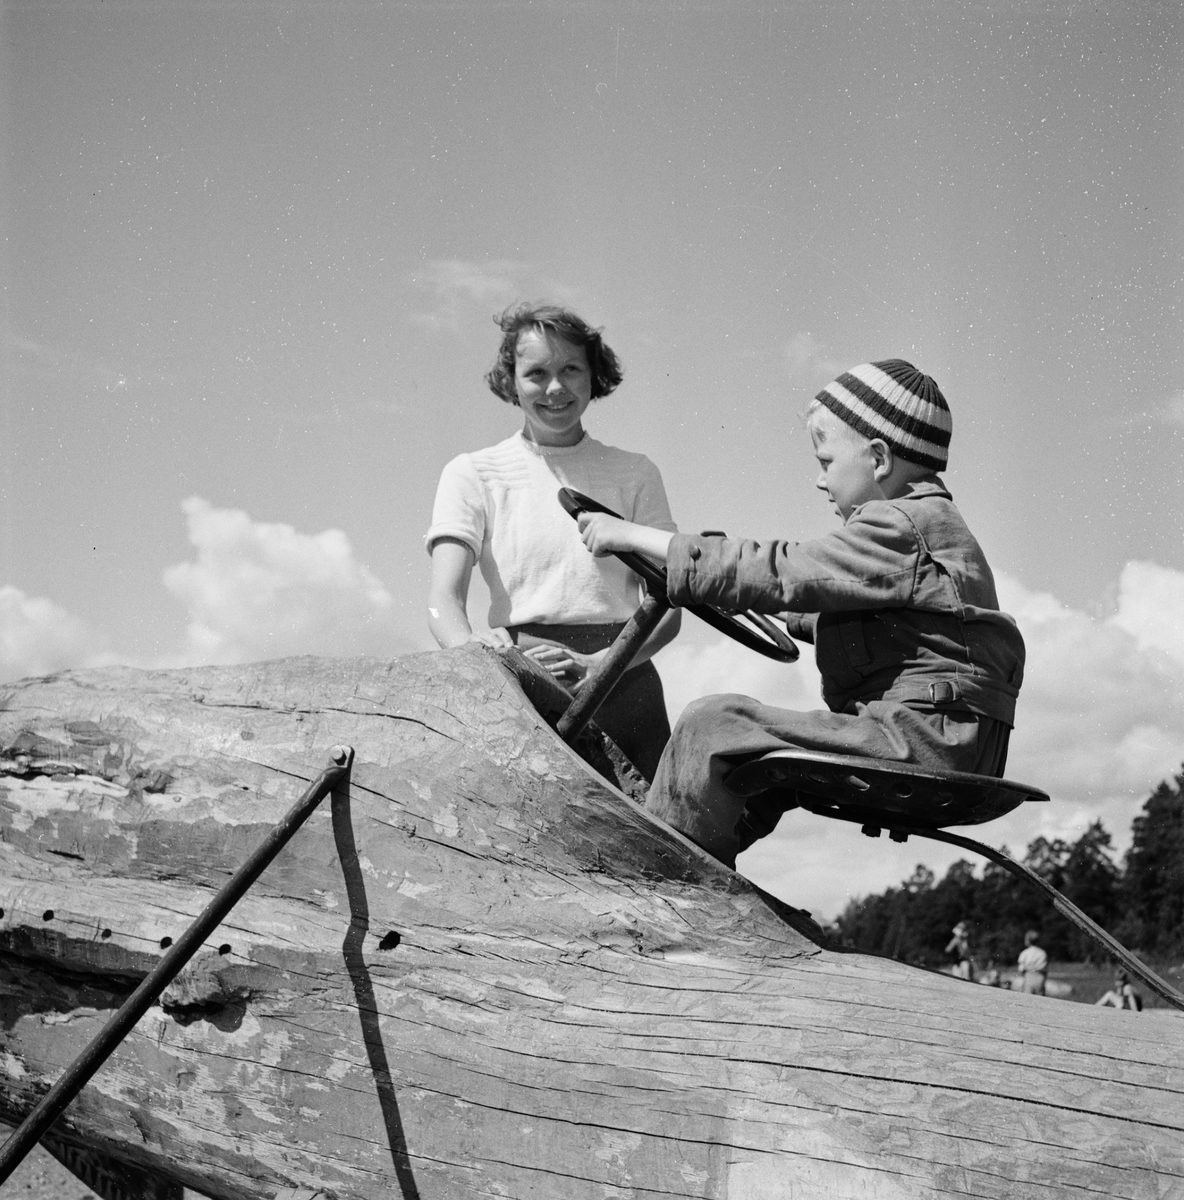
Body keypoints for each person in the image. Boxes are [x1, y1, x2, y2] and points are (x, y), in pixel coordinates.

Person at [575, 358, 1026, 866]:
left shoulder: (901, 525)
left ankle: (655, 870)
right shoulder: (930, 529)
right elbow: (827, 608)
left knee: (713, 723)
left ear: (878, 458)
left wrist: (638, 537)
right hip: (944, 741)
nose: (818, 480)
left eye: (827, 461)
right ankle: (706, 865)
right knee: (757, 765)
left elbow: (788, 573)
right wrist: (723, 587)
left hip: (920, 740)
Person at [425, 303, 681, 782]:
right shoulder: (472, 472)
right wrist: (478, 656)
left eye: (571, 369)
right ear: (511, 379)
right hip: (521, 681)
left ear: (593, 374)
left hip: (625, 677)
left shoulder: (635, 472)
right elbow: (443, 600)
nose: (555, 387)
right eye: (537, 373)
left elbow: (669, 604)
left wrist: (601, 665)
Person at [1015, 930, 1048, 995]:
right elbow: (1044, 968)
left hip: (1029, 978)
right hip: (1040, 978)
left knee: (1027, 999)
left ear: (1027, 941)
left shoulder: (1025, 953)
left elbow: (1020, 969)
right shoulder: (1042, 953)